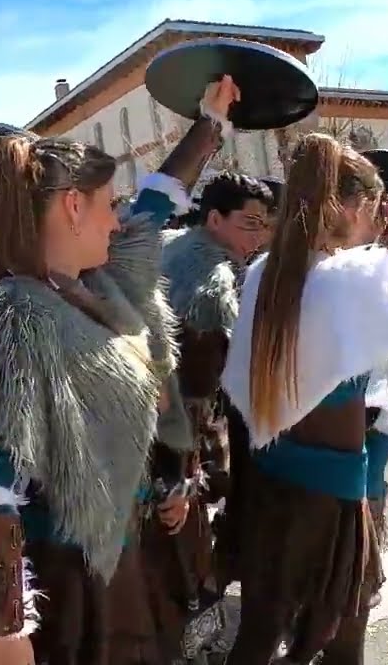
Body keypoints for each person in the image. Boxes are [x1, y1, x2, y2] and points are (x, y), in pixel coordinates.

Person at [0, 78, 238, 665]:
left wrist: (211, 122)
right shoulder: (18, 312)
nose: (116, 221)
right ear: (73, 206)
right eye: (108, 205)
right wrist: (8, 632)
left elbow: (157, 203)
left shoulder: (91, 284)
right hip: (69, 577)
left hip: (122, 552)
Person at [220, 133, 388, 664]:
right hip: (332, 497)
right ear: (351, 206)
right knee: (342, 643)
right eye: (375, 209)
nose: (379, 223)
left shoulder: (266, 270)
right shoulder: (358, 277)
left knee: (259, 634)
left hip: (271, 479)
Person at [146, 171, 276, 660]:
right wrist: (180, 477)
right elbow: (189, 398)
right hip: (171, 449)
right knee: (184, 563)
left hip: (153, 442)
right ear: (214, 218)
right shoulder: (209, 284)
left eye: (263, 225)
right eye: (249, 224)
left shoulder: (173, 250)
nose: (258, 237)